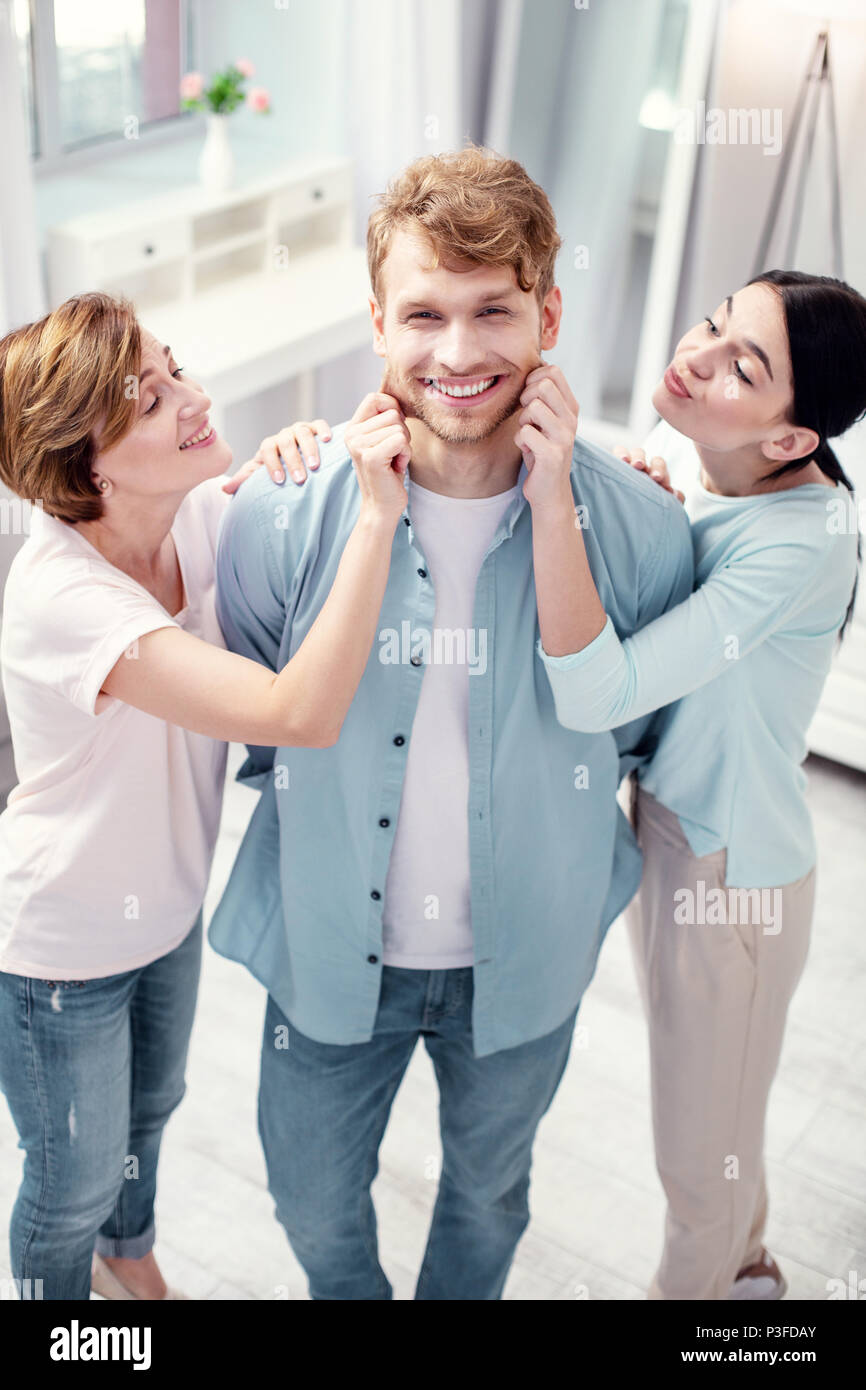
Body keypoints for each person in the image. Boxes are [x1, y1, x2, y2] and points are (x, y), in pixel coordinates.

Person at [208, 144, 694, 1301]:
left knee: (489, 1196)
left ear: (549, 312)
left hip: (522, 963)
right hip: (328, 953)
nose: (460, 352)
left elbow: (637, 739)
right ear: (375, 323)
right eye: (423, 313)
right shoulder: (279, 511)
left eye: (494, 310)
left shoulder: (640, 531)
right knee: (308, 1195)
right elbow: (258, 724)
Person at [0, 291, 406, 1301]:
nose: (190, 397)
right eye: (150, 399)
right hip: (58, 947)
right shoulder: (65, 597)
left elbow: (283, 500)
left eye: (173, 367)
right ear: (85, 460)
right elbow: (292, 710)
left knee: (152, 1111)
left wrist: (308, 452)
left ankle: (127, 1256)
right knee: (69, 1180)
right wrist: (377, 518)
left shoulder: (193, 515)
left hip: (165, 904)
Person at [528, 269, 864, 1299]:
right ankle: (749, 1270)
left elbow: (599, 692)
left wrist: (555, 496)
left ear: (788, 439)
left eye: (741, 366)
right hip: (679, 834)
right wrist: (644, 498)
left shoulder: (801, 542)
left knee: (694, 1159)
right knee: (718, 1119)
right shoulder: (702, 460)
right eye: (714, 323)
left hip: (732, 881)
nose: (699, 352)